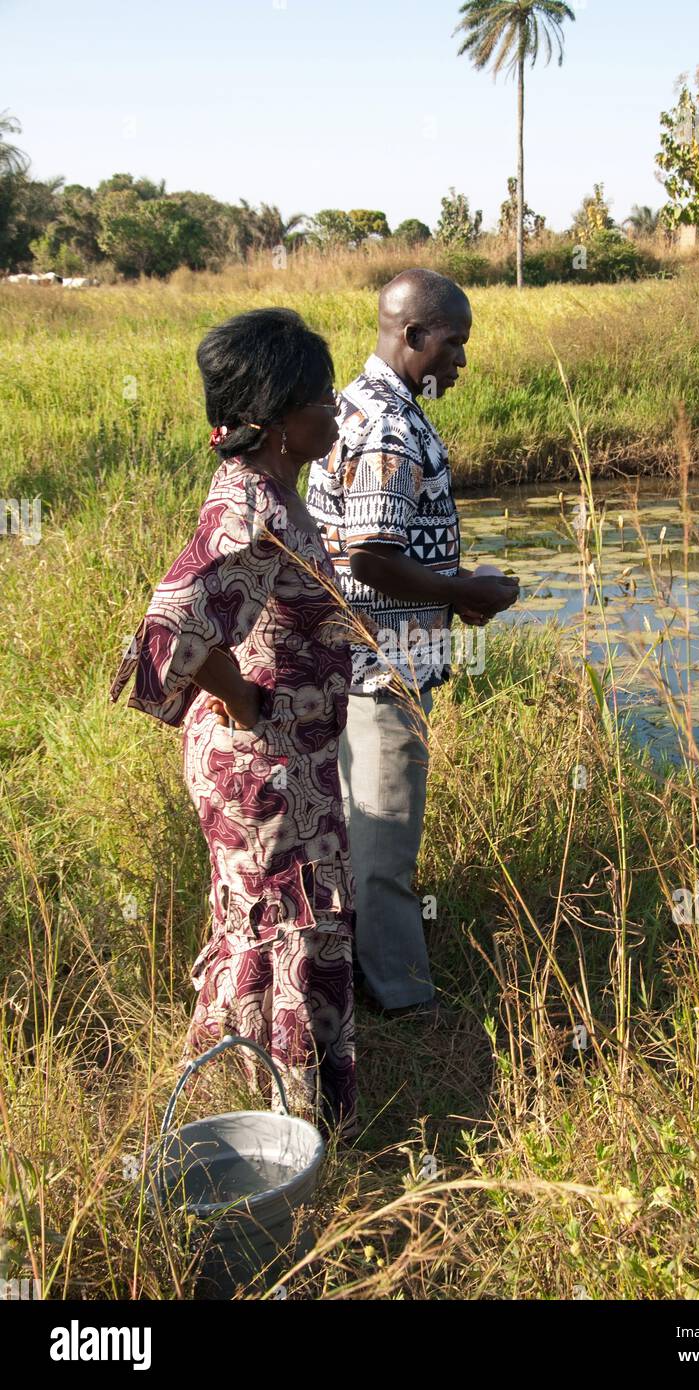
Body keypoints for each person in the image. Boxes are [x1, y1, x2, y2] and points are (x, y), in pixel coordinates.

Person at [109, 307, 359, 1137]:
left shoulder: (272, 492)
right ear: (282, 418)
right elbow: (172, 632)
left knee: (276, 919)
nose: (336, 411)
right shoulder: (248, 516)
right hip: (266, 765)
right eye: (323, 397)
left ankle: (272, 1096)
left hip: (291, 761)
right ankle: (271, 1112)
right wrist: (243, 697)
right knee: (277, 927)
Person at [307, 269, 519, 1017]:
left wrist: (449, 581)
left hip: (359, 657)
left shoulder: (359, 405)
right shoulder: (389, 425)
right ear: (412, 336)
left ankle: (347, 964)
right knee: (384, 847)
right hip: (379, 669)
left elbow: (376, 548)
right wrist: (460, 591)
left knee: (356, 827)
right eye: (453, 345)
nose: (460, 361)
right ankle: (398, 996)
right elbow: (367, 555)